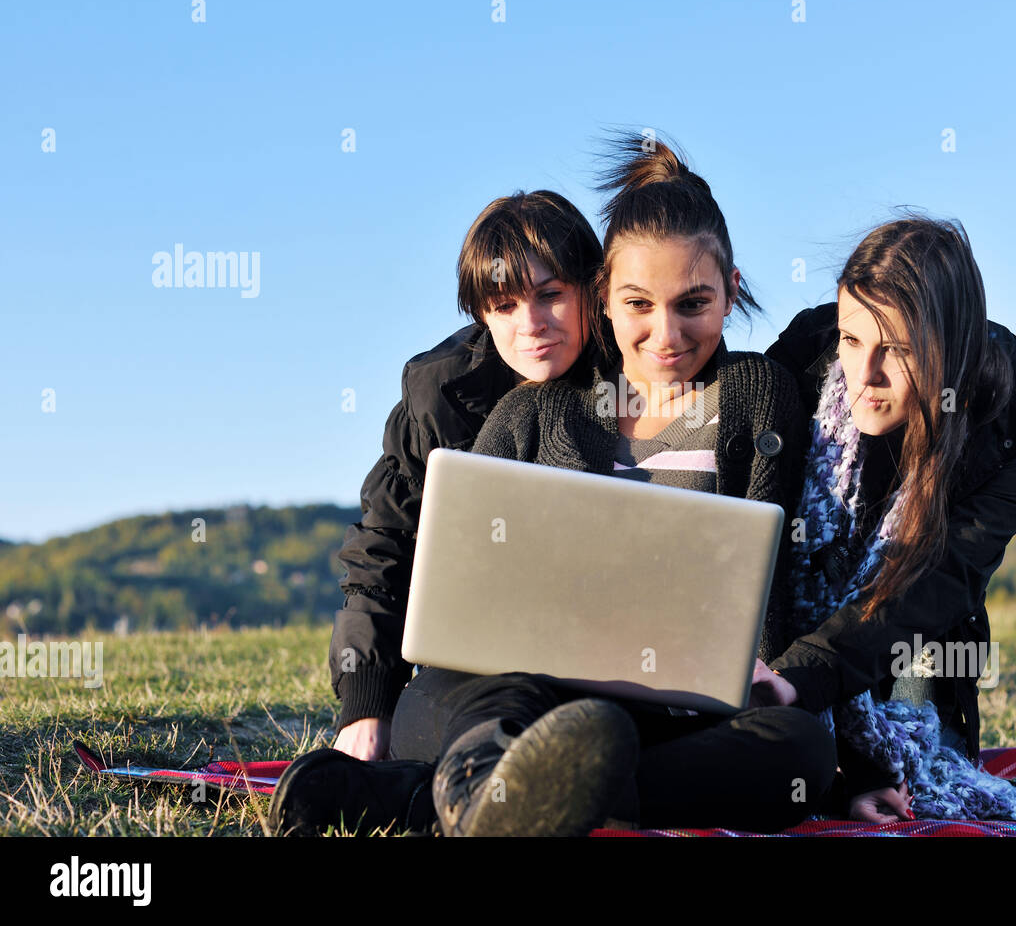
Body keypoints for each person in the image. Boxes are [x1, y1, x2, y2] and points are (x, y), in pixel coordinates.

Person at [272, 134, 836, 837]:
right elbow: (426, 565)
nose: (666, 333)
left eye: (693, 303)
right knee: (448, 704)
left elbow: (775, 573)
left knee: (802, 754)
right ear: (607, 300)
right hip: (522, 697)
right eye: (639, 304)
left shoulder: (758, 396)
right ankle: (534, 780)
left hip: (677, 714)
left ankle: (435, 800)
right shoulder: (528, 409)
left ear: (732, 292)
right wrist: (366, 699)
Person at [762, 215, 1016, 823]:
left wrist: (809, 676)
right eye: (852, 341)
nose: (863, 377)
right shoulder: (801, 357)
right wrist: (778, 670)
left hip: (916, 632)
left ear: (950, 346)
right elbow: (754, 529)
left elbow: (940, 582)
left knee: (915, 775)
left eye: (896, 349)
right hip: (782, 620)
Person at [326, 190, 606, 763]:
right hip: (479, 660)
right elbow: (384, 544)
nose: (530, 324)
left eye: (550, 295)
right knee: (436, 727)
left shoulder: (638, 368)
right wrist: (364, 703)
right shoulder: (439, 393)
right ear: (481, 312)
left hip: (612, 653)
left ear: (592, 288)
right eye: (504, 306)